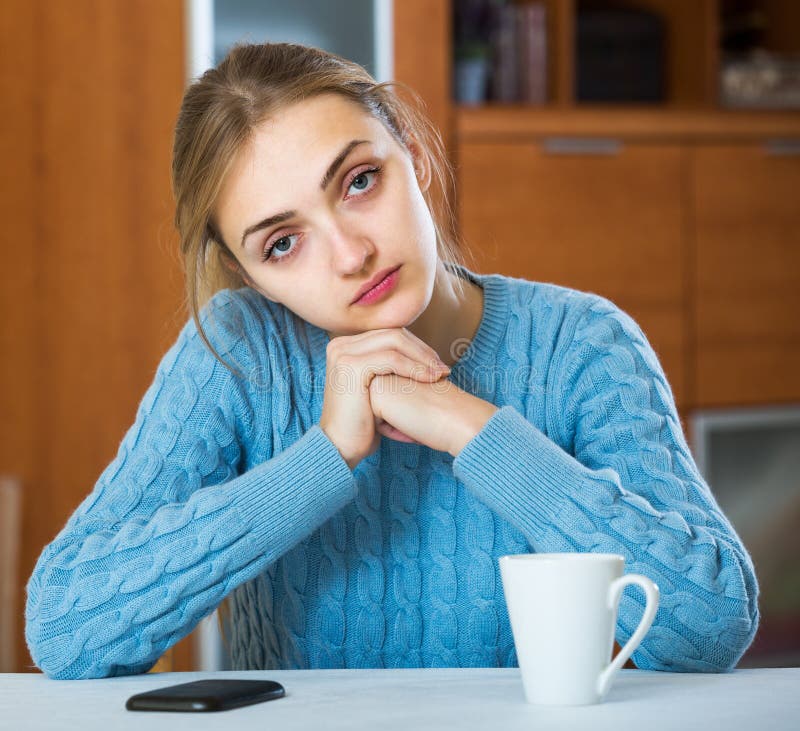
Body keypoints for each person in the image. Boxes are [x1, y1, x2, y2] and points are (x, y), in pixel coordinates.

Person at [25, 42, 759, 680]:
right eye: (283, 242)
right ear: (252, 276)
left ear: (408, 146)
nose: (351, 255)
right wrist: (324, 457)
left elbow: (713, 623)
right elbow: (64, 628)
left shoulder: (583, 345)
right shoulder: (243, 350)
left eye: (358, 181)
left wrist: (472, 427)